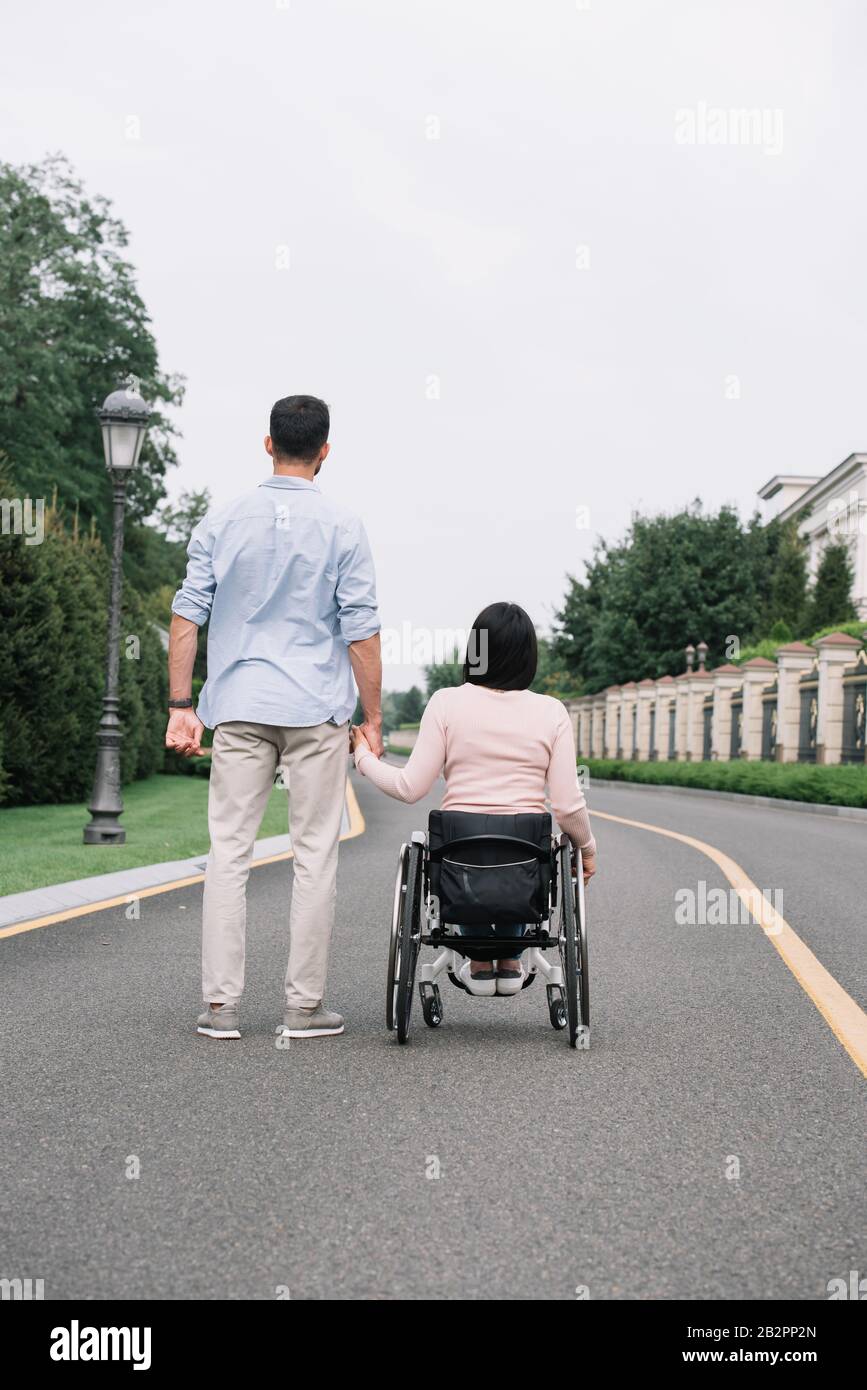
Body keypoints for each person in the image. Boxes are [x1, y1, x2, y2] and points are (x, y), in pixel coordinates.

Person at [166, 395, 382, 1040]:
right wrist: (371, 717)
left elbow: (187, 615)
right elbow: (361, 632)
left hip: (239, 704)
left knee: (229, 851)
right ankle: (304, 1006)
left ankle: (221, 1008)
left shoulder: (222, 520)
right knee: (315, 852)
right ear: (324, 451)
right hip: (315, 708)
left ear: (268, 444)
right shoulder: (344, 526)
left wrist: (181, 706)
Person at [351, 602, 596, 996]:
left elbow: (409, 787)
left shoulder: (446, 703)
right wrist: (587, 846)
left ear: (474, 651)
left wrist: (363, 757)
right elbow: (567, 806)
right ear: (529, 656)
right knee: (523, 857)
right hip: (526, 858)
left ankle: (479, 960)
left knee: (468, 858)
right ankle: (511, 957)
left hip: (459, 855)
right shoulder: (552, 712)